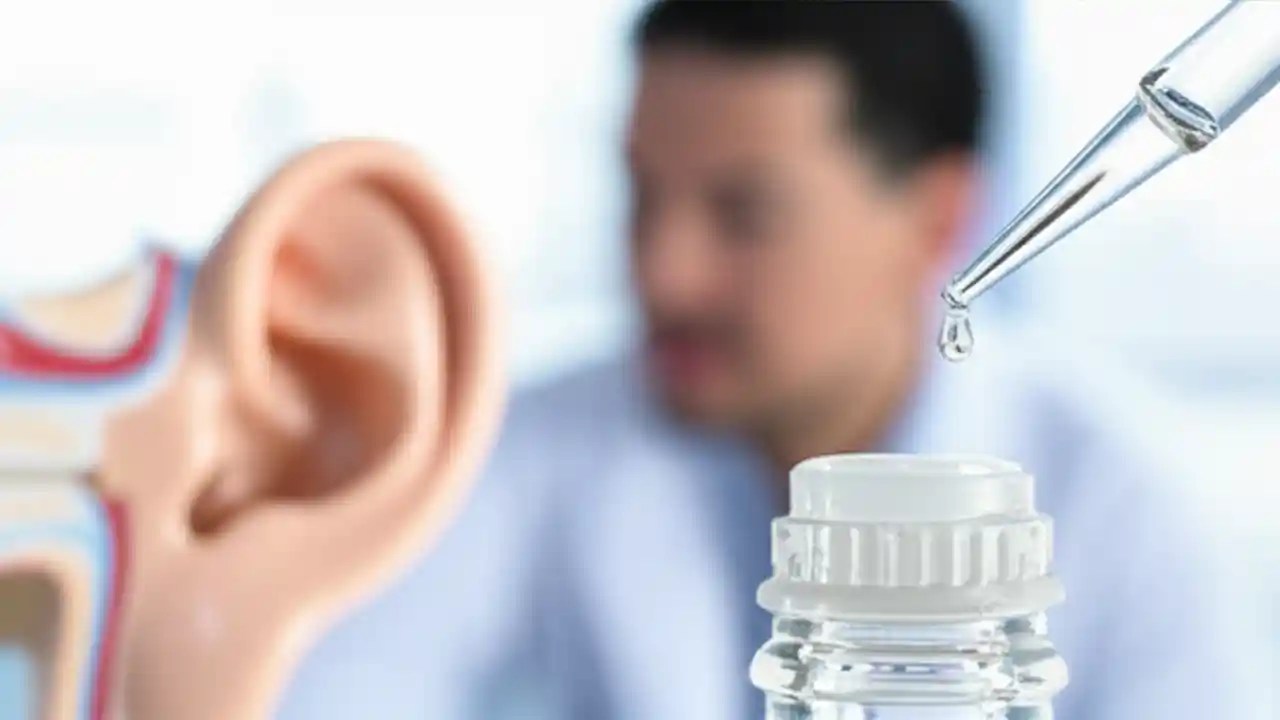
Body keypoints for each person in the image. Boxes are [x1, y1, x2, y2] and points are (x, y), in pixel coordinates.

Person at [280, 3, 1260, 719]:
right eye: (641, 196)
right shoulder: (533, 445)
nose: (664, 276)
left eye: (742, 215)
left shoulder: (1125, 513)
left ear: (936, 216)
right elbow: (327, 689)